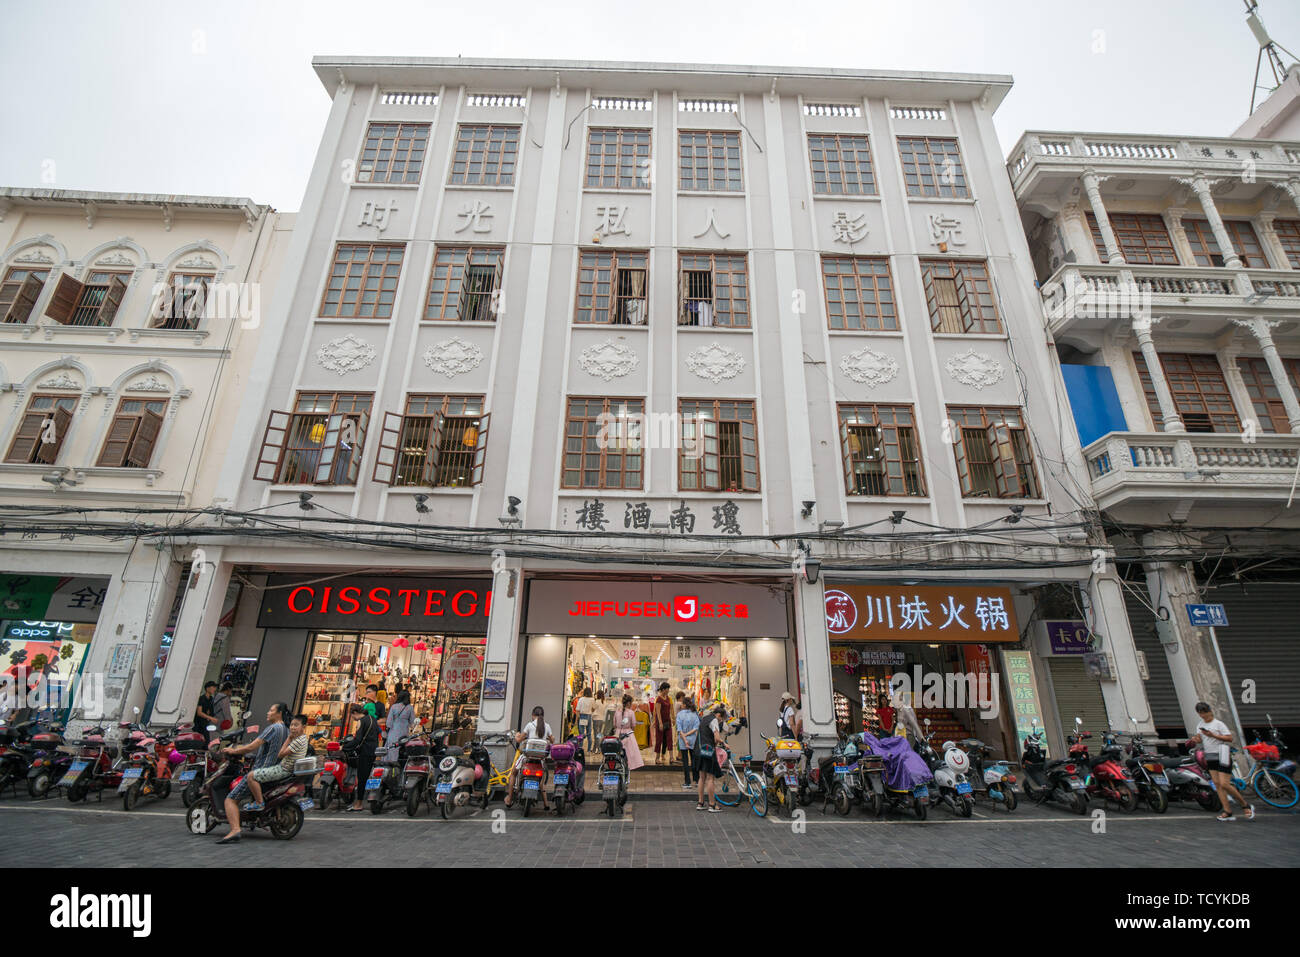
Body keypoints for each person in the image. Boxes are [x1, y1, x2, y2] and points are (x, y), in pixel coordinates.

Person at [217, 702, 290, 844]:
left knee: (230, 799)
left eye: (271, 710)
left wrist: (233, 750)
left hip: (262, 770)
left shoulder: (272, 728)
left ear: (279, 713)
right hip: (275, 771)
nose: (268, 712)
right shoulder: (286, 730)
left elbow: (252, 746)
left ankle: (235, 830)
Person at [1193, 702, 1255, 821]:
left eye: (1205, 713)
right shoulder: (1200, 725)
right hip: (1210, 755)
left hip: (1223, 754)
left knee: (1224, 783)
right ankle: (1227, 811)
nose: (1204, 716)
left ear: (1210, 711)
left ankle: (1245, 805)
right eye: (1201, 714)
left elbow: (1229, 738)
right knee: (1217, 784)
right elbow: (1200, 739)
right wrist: (1196, 739)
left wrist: (1213, 735)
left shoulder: (1218, 724)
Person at [243, 713, 309, 813]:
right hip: (285, 768)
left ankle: (259, 803)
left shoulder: (298, 741)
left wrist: (289, 738)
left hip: (284, 770)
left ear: (303, 727)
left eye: (296, 725)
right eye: (291, 725)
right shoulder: (303, 738)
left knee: (251, 776)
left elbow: (280, 754)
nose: (292, 727)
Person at [505, 706, 554, 810]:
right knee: (541, 780)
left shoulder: (529, 725)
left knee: (513, 773)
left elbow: (519, 740)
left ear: (533, 715)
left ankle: (509, 798)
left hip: (527, 757)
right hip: (540, 759)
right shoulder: (547, 726)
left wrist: (517, 735)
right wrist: (549, 738)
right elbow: (552, 740)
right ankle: (546, 804)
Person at [349, 701, 381, 812]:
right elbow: (379, 732)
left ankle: (358, 803)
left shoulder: (361, 722)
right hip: (374, 751)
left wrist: (346, 747)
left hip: (364, 752)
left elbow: (357, 739)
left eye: (352, 715)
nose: (352, 718)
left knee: (362, 778)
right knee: (369, 775)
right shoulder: (373, 719)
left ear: (355, 713)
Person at [695, 702, 728, 812]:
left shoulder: (704, 718)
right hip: (708, 750)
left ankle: (700, 803)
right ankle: (712, 805)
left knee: (701, 777)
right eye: (721, 720)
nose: (720, 722)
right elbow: (717, 737)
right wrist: (724, 743)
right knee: (710, 778)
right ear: (718, 715)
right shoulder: (714, 720)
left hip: (699, 749)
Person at [614, 694, 645, 772]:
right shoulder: (631, 712)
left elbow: (614, 724)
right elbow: (634, 725)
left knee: (618, 751)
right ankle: (627, 768)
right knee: (630, 753)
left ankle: (618, 766)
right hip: (628, 733)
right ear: (628, 703)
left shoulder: (617, 711)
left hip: (618, 733)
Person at [676, 696, 699, 789]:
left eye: (682, 704)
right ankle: (697, 780)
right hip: (693, 739)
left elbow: (679, 729)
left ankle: (687, 782)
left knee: (685, 761)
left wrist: (684, 737)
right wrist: (688, 735)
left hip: (682, 740)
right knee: (694, 760)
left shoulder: (680, 714)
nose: (681, 705)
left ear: (684, 705)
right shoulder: (694, 714)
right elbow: (696, 728)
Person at [385, 691, 415, 755]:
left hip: (394, 730)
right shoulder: (410, 707)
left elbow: (389, 722)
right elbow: (412, 721)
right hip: (404, 731)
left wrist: (388, 728)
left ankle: (390, 762)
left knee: (392, 748)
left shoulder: (394, 706)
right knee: (401, 749)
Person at [654, 683, 674, 765]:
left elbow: (671, 709)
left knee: (670, 739)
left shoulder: (668, 698)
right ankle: (657, 758)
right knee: (659, 740)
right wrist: (660, 723)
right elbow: (658, 712)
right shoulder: (658, 699)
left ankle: (671, 757)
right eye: (667, 689)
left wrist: (673, 718)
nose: (668, 690)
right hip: (660, 721)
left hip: (668, 721)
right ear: (663, 689)